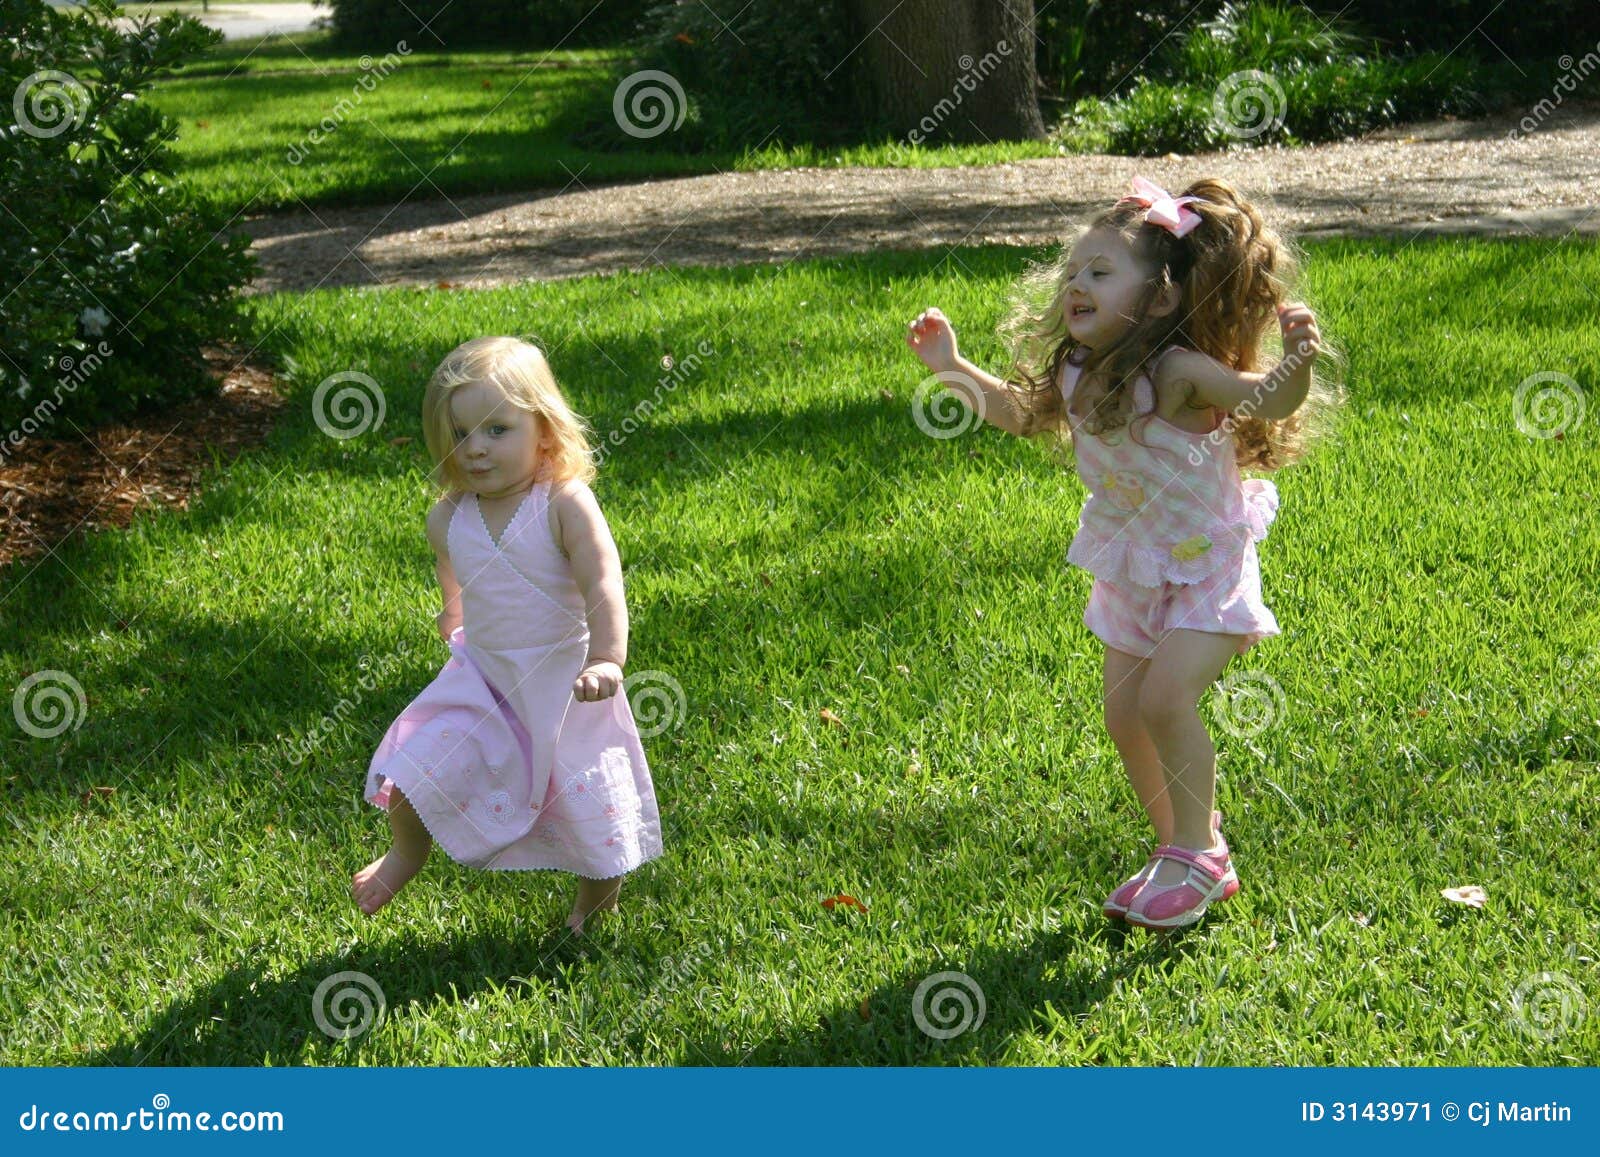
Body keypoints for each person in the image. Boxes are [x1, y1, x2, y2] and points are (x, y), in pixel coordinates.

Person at [905, 176, 1341, 929]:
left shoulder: (1175, 374)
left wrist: (1296, 360)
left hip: (1205, 565)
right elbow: (1018, 413)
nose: (1076, 283)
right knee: (1123, 714)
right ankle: (1176, 842)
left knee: (1164, 701)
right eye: (1074, 271)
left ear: (1161, 299)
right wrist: (950, 364)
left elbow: (1264, 398)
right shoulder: (1077, 372)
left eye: (1100, 272)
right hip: (1134, 566)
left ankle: (1200, 854)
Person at [352, 336, 663, 933]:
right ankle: (406, 853)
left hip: (565, 682)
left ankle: (594, 908)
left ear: (543, 430)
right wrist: (453, 612)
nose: (476, 449)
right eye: (461, 433)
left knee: (590, 804)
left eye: (498, 430)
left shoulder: (563, 503)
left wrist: (607, 657)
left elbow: (603, 580)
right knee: (416, 764)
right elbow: (453, 565)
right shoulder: (448, 516)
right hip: (483, 677)